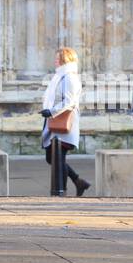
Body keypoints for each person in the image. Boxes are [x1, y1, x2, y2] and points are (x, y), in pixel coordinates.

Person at [41, 47, 92, 197]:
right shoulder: (60, 76)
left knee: (57, 157)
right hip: (55, 121)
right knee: (52, 157)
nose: (55, 61)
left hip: (63, 122)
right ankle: (77, 181)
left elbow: (69, 101)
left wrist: (51, 111)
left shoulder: (69, 77)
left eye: (58, 58)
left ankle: (60, 191)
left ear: (65, 59)